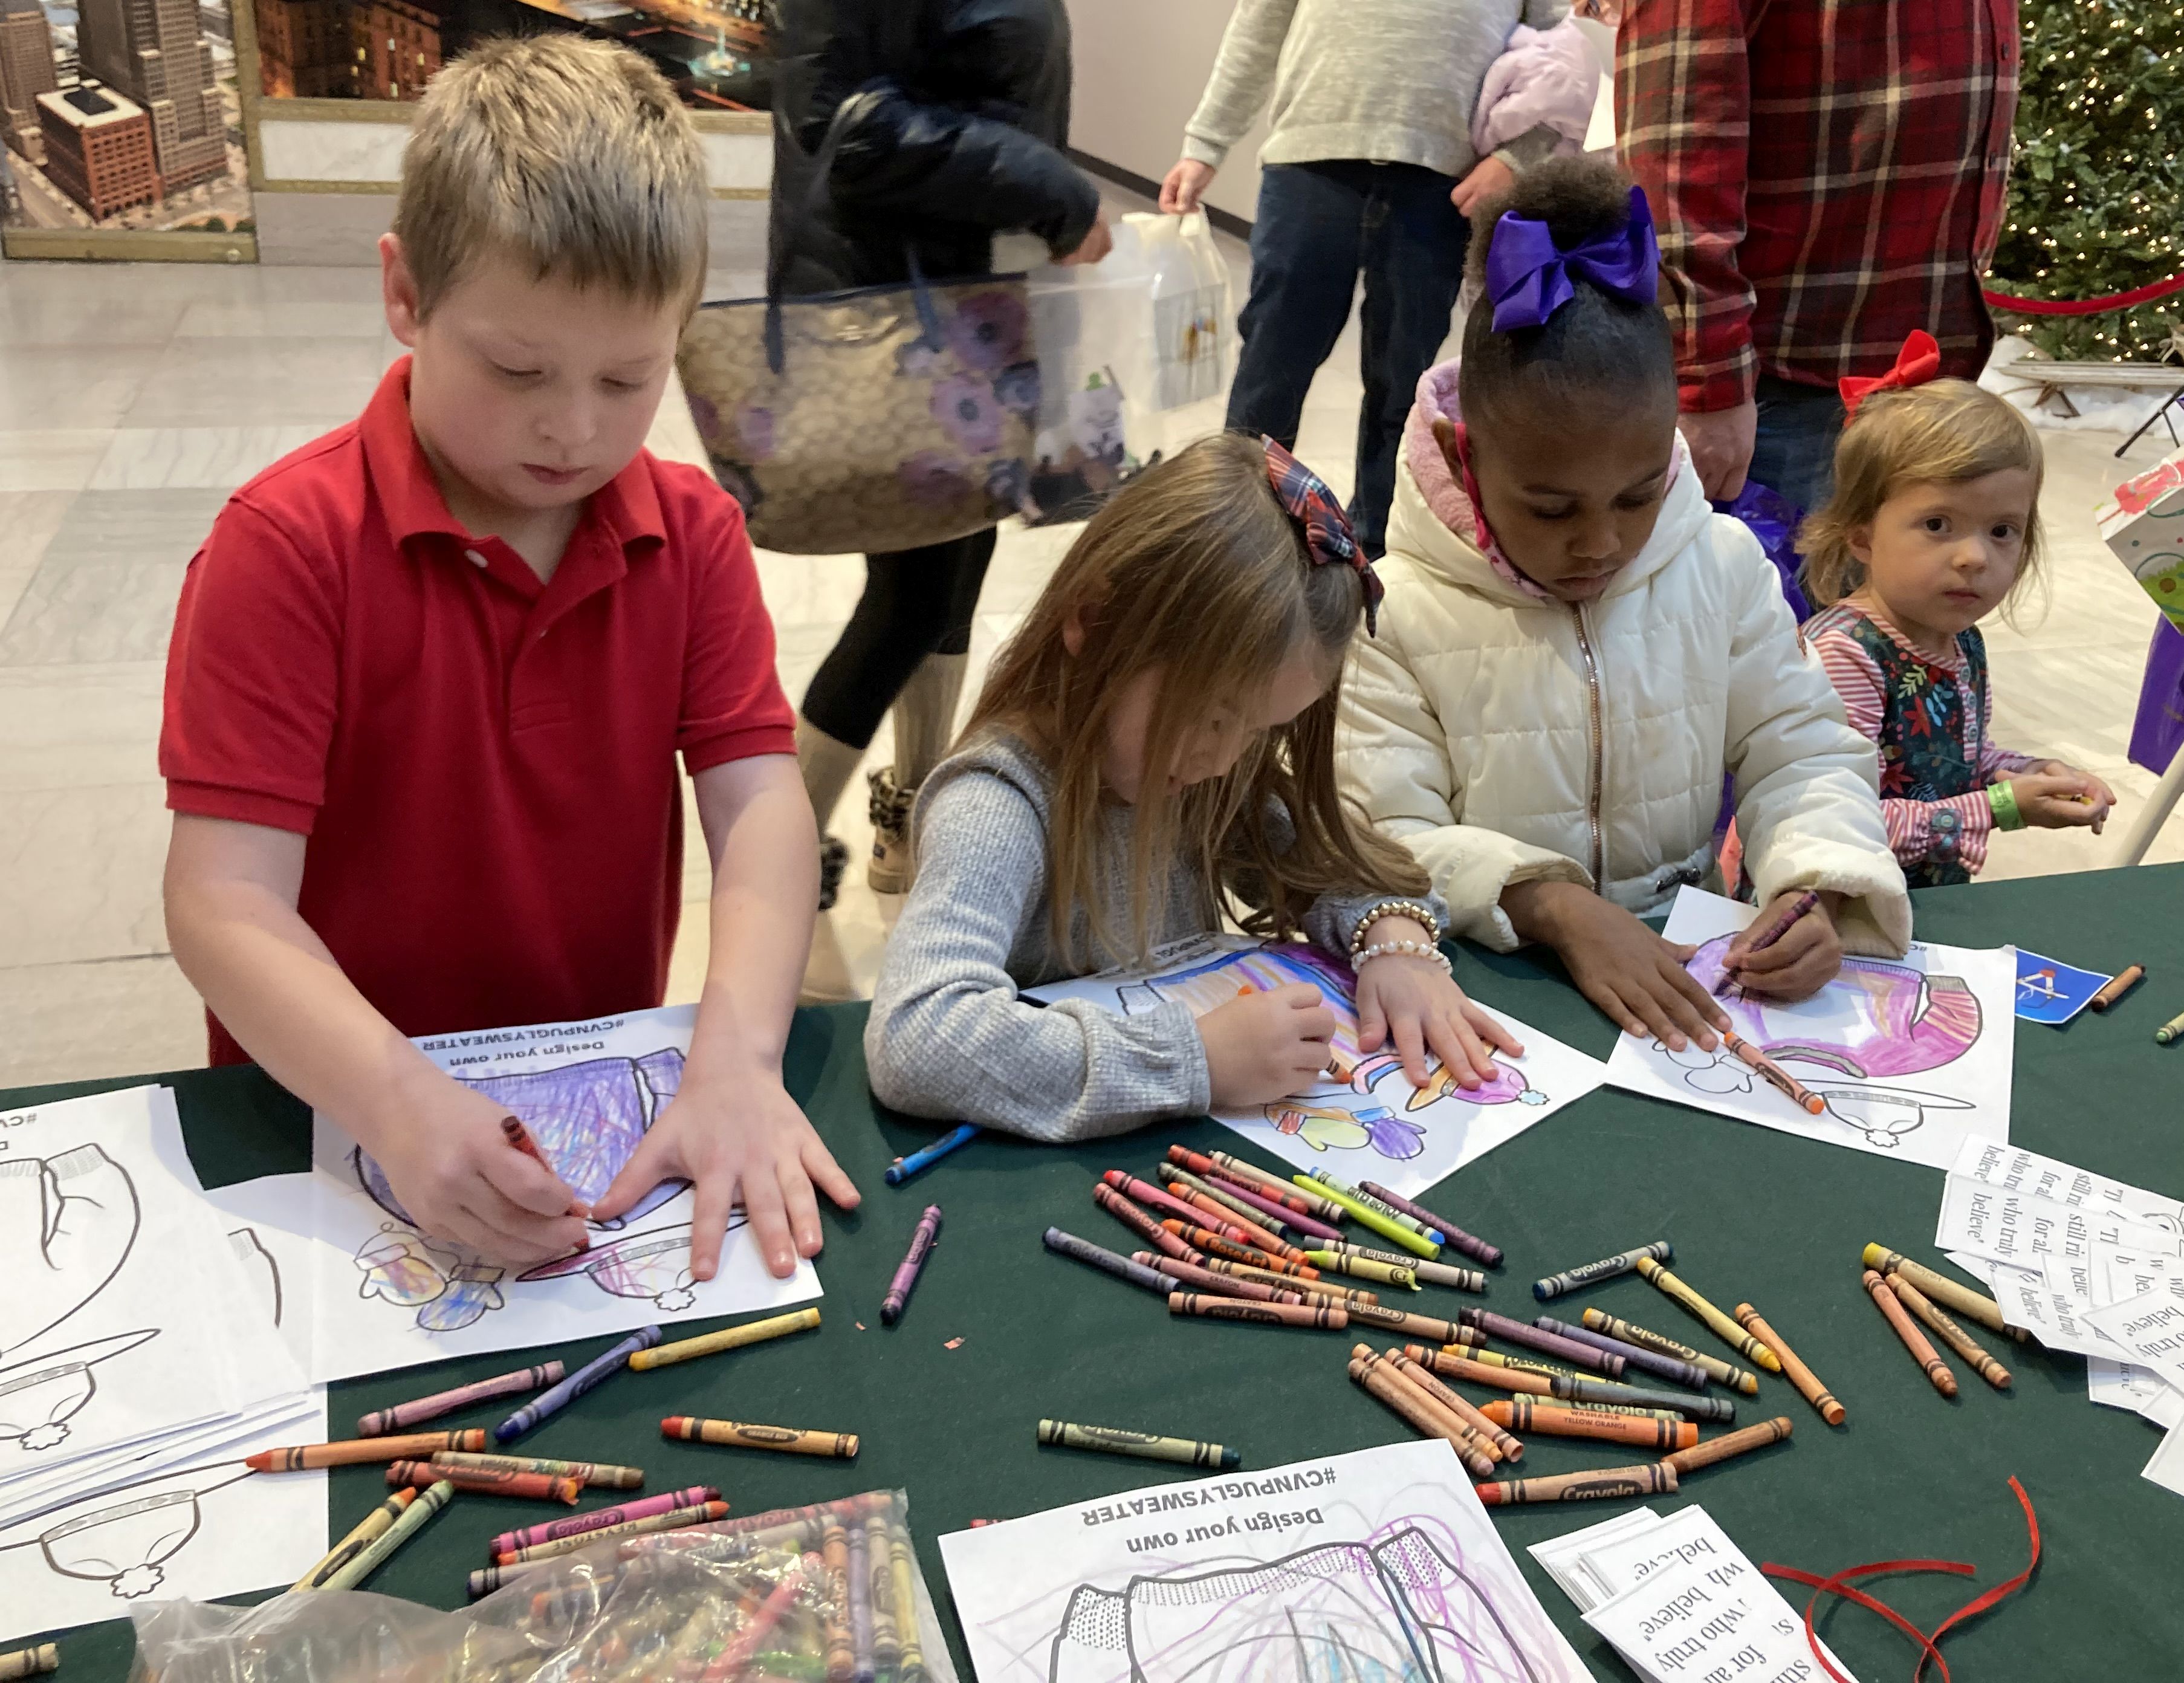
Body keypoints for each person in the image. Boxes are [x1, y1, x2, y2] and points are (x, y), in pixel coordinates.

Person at [158, 37, 855, 1283]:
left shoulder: (690, 538)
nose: (573, 426)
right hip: (326, 1115)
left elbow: (759, 805)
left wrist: (737, 1055)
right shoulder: (287, 549)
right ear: (406, 296)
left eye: (630, 378)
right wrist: (398, 1102)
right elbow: (225, 901)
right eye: (518, 369)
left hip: (585, 1106)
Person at [1338, 157, 1908, 1056]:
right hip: (1489, 990)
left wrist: (1814, 882)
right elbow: (1378, 839)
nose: (1600, 543)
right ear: (1465, 451)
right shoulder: (1390, 611)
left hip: (1689, 977)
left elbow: (1801, 752)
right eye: (1552, 509)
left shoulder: (1720, 566)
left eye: (1638, 496)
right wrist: (1548, 903)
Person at [864, 434, 1520, 1140]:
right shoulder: (996, 804)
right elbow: (917, 1035)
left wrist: (1393, 940)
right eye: (1211, 718)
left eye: (1259, 732)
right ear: (1091, 620)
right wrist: (1195, 1059)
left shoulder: (1195, 774)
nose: (1223, 759)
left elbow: (1321, 864)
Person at [771, 0, 1111, 903]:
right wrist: (1059, 193)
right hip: (900, 311)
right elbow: (847, 132)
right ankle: (770, 872)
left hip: (972, 305)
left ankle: (905, 827)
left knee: (956, 575)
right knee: (911, 600)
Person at [1160, 0, 1587, 560]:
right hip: (1309, 162)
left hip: (1441, 183)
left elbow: (1563, 47)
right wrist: (1205, 142)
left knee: (1402, 381)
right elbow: (1259, 23)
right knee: (1273, 362)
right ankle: (1236, 539)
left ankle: (1379, 551)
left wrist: (1518, 156)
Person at [1617, 0, 2019, 513]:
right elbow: (1674, 151)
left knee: (1878, 591)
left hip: (1921, 367)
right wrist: (1706, 376)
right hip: (1777, 384)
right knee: (1771, 589)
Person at [1801, 342, 2117, 887]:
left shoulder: (1960, 640)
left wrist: (2025, 774)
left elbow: (1956, 760)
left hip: (1920, 909)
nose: (1973, 557)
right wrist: (1998, 807)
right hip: (1831, 919)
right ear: (1861, 535)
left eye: (2001, 531)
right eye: (1936, 525)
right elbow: (1830, 822)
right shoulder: (1843, 655)